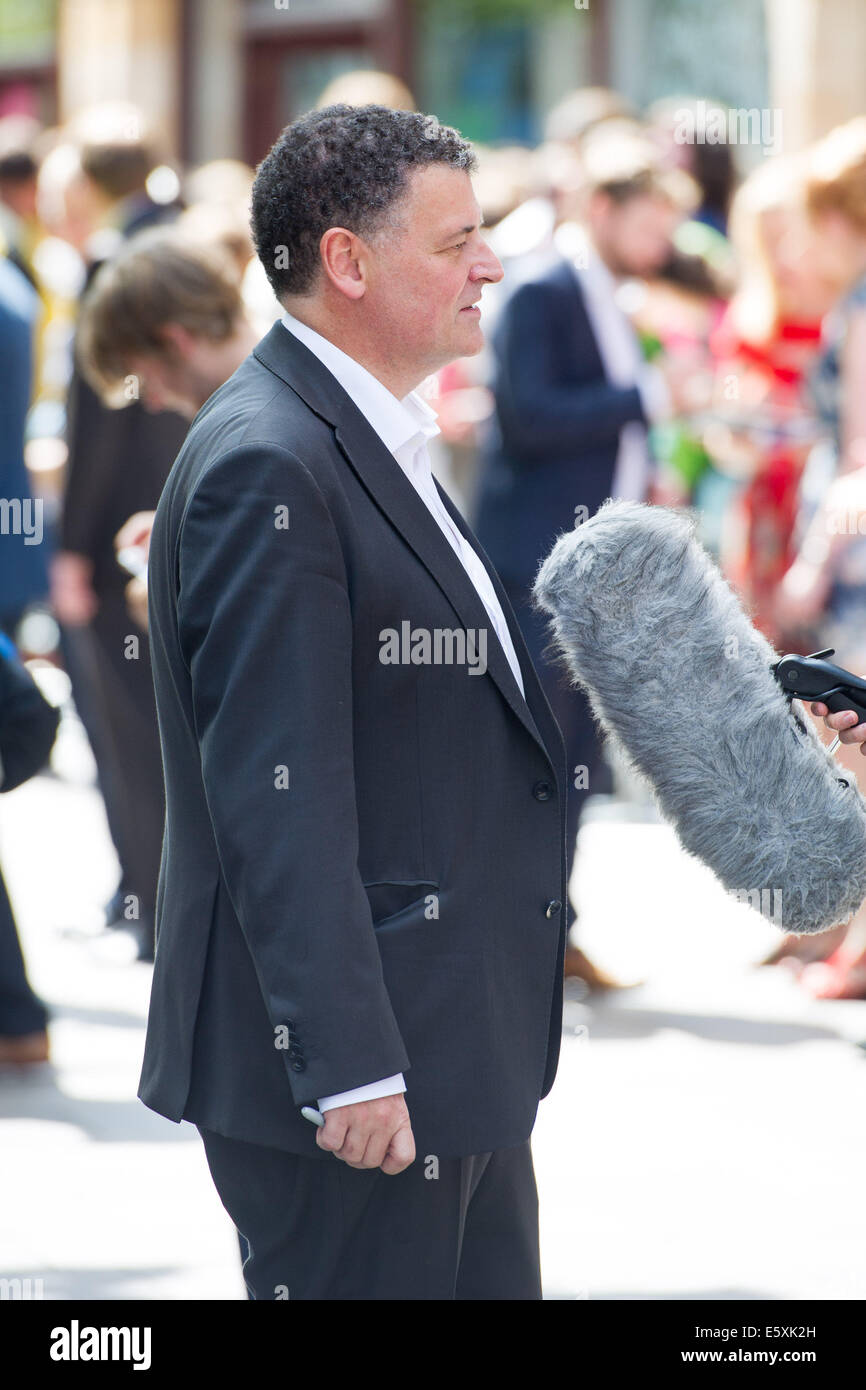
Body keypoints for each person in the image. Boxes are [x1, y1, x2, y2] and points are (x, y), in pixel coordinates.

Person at [137, 104, 569, 1301]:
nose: (490, 261)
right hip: (363, 1090)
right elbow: (277, 797)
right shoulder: (271, 462)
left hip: (451, 1052)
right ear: (347, 260)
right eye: (456, 241)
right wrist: (348, 1067)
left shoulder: (370, 431)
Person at [473, 129, 694, 985]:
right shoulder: (541, 287)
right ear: (600, 210)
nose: (660, 246)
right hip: (539, 561)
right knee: (534, 755)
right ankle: (519, 938)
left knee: (570, 760)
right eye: (647, 224)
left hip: (590, 564)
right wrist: (646, 395)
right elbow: (528, 416)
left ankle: (548, 932)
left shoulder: (608, 292)